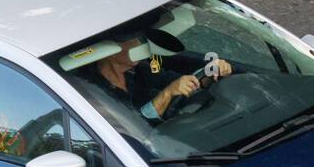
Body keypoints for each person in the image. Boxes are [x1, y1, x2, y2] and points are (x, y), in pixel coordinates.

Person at [87, 37, 232, 123]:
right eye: (133, 42)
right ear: (111, 52)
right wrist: (168, 93)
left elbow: (186, 83)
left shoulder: (142, 70)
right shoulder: (93, 90)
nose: (140, 46)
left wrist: (211, 71)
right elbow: (137, 126)